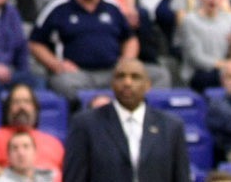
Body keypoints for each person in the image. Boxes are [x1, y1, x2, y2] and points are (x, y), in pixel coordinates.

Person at [30, 0, 142, 101]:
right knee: (63, 83)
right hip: (77, 75)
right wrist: (56, 64)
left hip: (112, 72)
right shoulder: (58, 6)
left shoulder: (112, 6)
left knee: (157, 76)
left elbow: (131, 39)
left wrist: (126, 62)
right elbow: (35, 43)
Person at [61, 58, 190, 182]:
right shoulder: (86, 125)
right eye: (120, 76)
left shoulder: (171, 127)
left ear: (148, 85)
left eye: (135, 77)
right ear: (112, 83)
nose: (127, 83)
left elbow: (181, 177)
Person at [0, 84, 64, 180]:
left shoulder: (54, 142)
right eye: (16, 102)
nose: (22, 106)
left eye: (27, 102)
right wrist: (20, 178)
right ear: (8, 109)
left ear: (35, 109)